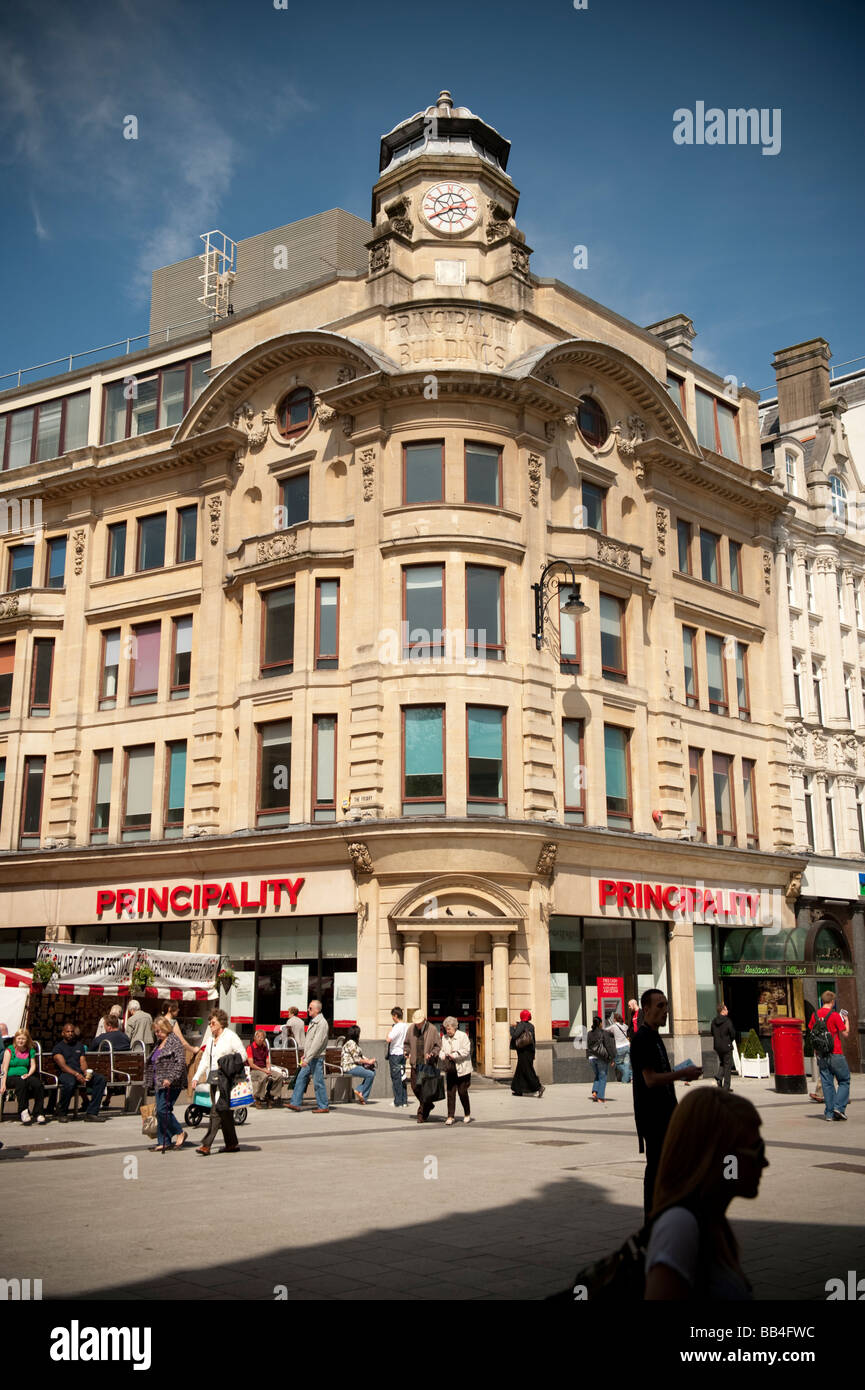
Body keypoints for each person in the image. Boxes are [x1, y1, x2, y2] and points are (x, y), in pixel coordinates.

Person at [645, 1089, 769, 1299]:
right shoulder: (680, 1226)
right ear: (724, 1155)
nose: (764, 1163)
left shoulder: (713, 1221)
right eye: (757, 1149)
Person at [631, 989, 702, 1219]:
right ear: (646, 1009)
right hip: (653, 1117)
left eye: (666, 1005)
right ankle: (654, 1221)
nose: (665, 1010)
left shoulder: (654, 1036)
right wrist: (681, 1073)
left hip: (665, 1114)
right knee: (656, 1170)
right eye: (660, 1006)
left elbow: (660, 1073)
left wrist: (682, 1074)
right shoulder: (642, 1038)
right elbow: (650, 1079)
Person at [192, 1009, 247, 1154]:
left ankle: (206, 1144)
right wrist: (196, 1077)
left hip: (226, 1079)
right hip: (213, 1078)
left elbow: (243, 1054)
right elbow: (205, 1060)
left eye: (213, 1023)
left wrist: (227, 1061)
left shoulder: (230, 1036)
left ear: (221, 1023)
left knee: (216, 1110)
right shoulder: (210, 1039)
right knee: (225, 1112)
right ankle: (232, 1144)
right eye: (209, 1023)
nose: (210, 1025)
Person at [52, 1021, 108, 1123]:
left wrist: (86, 1072)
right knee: (70, 1083)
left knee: (100, 1079)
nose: (70, 1033)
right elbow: (63, 1067)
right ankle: (62, 1112)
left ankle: (91, 1113)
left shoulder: (79, 1046)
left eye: (72, 1031)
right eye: (67, 1031)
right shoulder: (58, 1048)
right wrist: (76, 1074)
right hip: (66, 1074)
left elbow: (82, 1061)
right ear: (63, 1033)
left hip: (79, 1073)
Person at [148, 1014, 188, 1152]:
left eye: (159, 1030)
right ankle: (163, 1141)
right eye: (156, 1031)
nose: (157, 1033)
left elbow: (180, 1062)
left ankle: (180, 1132)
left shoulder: (174, 1041)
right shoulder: (160, 1042)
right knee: (161, 1111)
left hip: (172, 1083)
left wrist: (171, 1078)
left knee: (162, 1110)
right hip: (159, 1082)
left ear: (166, 1028)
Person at [808, 990, 850, 1122]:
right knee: (844, 1080)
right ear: (832, 1002)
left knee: (827, 1083)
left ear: (822, 1001)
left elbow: (811, 1030)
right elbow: (845, 1033)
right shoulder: (835, 1015)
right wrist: (847, 1021)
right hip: (835, 1053)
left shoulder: (815, 1015)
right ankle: (839, 1107)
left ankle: (829, 1114)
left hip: (821, 1054)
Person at [287, 1000, 330, 1113]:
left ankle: (323, 1106)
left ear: (317, 1009)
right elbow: (309, 1042)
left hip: (316, 1057)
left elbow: (317, 1043)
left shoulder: (322, 1023)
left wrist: (307, 1058)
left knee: (318, 1081)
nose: (308, 1010)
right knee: (301, 1078)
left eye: (310, 1008)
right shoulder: (314, 1022)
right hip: (310, 1057)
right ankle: (295, 1103)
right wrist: (305, 1055)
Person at [1, 1027, 46, 1124]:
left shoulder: (30, 1050)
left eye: (23, 1039)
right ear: (15, 1039)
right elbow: (4, 1068)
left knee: (38, 1084)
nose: (20, 1041)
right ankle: (23, 1110)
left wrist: (28, 1074)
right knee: (20, 1083)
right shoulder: (10, 1050)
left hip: (25, 1074)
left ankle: (39, 1112)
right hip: (11, 1076)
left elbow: (33, 1065)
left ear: (27, 1040)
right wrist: (3, 1083)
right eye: (19, 1038)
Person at [406, 1009, 441, 1123]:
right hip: (415, 1063)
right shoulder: (411, 1028)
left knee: (425, 1090)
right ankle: (428, 1105)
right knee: (415, 1087)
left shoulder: (432, 1029)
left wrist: (432, 1054)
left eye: (419, 1022)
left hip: (428, 1064)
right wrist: (406, 1052)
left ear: (425, 1020)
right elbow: (406, 1043)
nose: (417, 1025)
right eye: (416, 1022)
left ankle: (421, 1114)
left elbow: (438, 1045)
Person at [440, 1015, 473, 1125]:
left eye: (449, 1028)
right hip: (450, 1068)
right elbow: (441, 1050)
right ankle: (450, 1116)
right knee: (450, 1092)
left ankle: (467, 1113)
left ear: (455, 1027)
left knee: (462, 1092)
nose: (447, 1031)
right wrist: (443, 1055)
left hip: (463, 1068)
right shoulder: (444, 1038)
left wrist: (454, 1055)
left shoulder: (462, 1036)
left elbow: (466, 1051)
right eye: (446, 1029)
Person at [510, 1009, 544, 1098]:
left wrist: (512, 1028)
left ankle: (539, 1087)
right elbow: (534, 1041)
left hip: (523, 1052)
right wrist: (533, 1053)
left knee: (528, 1070)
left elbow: (515, 1036)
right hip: (529, 1051)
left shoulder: (521, 1025)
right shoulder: (531, 1026)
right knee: (520, 1070)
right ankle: (518, 1089)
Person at [246, 1029, 284, 1107]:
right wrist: (264, 1070)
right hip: (254, 1070)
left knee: (279, 1076)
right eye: (258, 1037)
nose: (260, 1039)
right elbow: (251, 1064)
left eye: (262, 1037)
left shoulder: (264, 1047)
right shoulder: (250, 1047)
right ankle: (258, 1097)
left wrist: (268, 1069)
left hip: (264, 1068)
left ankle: (270, 1095)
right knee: (264, 1076)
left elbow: (267, 1061)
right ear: (254, 1038)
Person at [341, 1026, 377, 1104]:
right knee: (370, 1074)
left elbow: (360, 1056)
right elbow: (356, 1059)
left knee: (373, 1072)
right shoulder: (351, 1043)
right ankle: (363, 1096)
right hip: (349, 1067)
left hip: (354, 1066)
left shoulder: (353, 1043)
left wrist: (369, 1060)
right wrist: (368, 1062)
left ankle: (360, 1091)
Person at [587, 1015, 616, 1103]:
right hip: (601, 1058)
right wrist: (611, 1058)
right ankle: (600, 1097)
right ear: (599, 1023)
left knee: (597, 1075)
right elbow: (608, 1046)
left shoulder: (589, 1033)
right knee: (603, 1077)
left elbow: (587, 1046)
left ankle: (595, 1092)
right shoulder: (604, 1033)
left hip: (591, 1058)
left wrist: (587, 1056)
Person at [386, 1006, 409, 1109]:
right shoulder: (406, 1026)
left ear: (396, 1015)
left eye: (392, 1016)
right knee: (402, 1077)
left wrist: (390, 1030)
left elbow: (388, 1039)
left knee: (396, 1078)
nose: (392, 1018)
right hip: (402, 1054)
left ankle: (398, 1101)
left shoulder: (397, 1027)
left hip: (395, 1054)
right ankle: (404, 1100)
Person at [710, 1003, 736, 1091]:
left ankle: (718, 1077)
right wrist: (729, 1041)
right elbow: (732, 1033)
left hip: (717, 1046)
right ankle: (726, 1086)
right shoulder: (727, 1021)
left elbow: (712, 1032)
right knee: (728, 1066)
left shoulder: (714, 1021)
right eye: (726, 1009)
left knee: (722, 1063)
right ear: (722, 1011)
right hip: (726, 1046)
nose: (728, 1011)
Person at [609, 1013, 631, 1084]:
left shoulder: (614, 1026)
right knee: (626, 1064)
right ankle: (625, 1080)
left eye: (613, 1018)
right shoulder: (625, 1026)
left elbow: (605, 1030)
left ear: (615, 1019)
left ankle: (631, 1074)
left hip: (620, 1047)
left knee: (617, 1063)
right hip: (627, 1046)